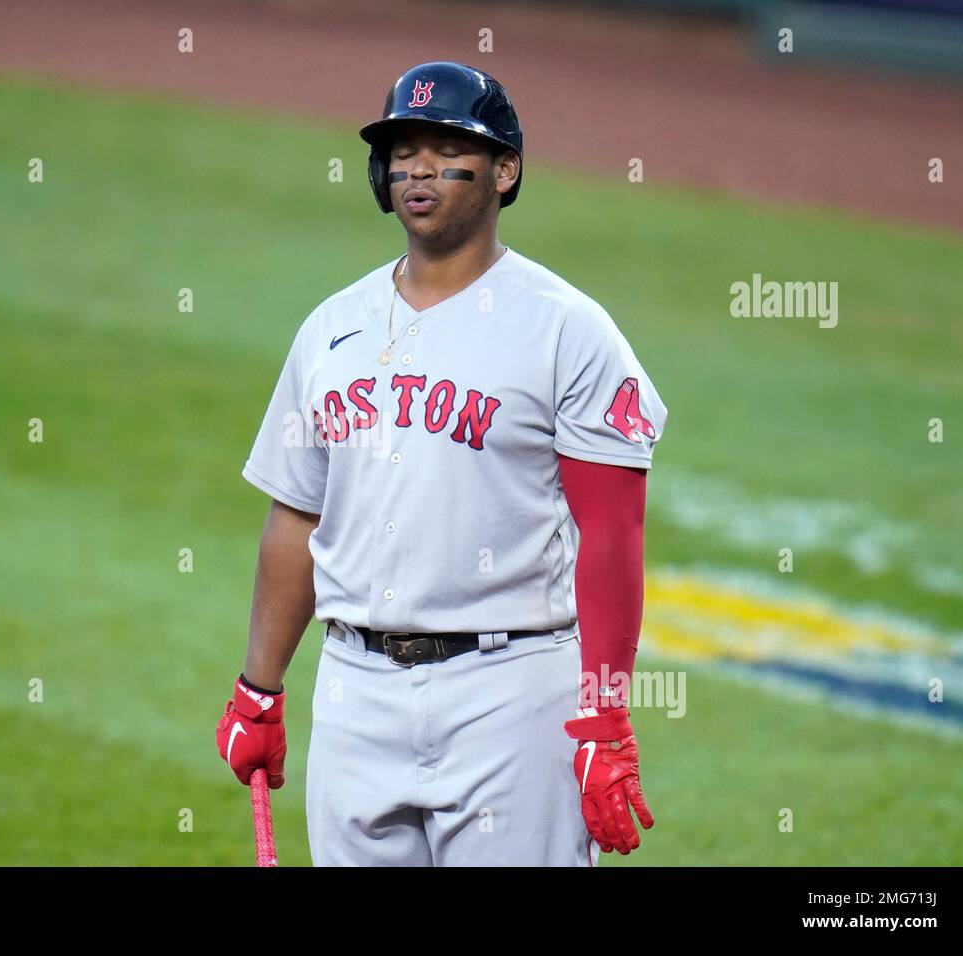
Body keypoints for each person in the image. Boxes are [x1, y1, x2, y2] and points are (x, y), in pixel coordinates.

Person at [216, 61, 666, 866]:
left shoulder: (566, 329)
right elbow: (295, 518)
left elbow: (612, 532)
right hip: (355, 692)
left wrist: (605, 715)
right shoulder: (330, 329)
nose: (418, 168)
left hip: (511, 695)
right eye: (403, 150)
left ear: (505, 170)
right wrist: (260, 687)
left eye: (446, 147)